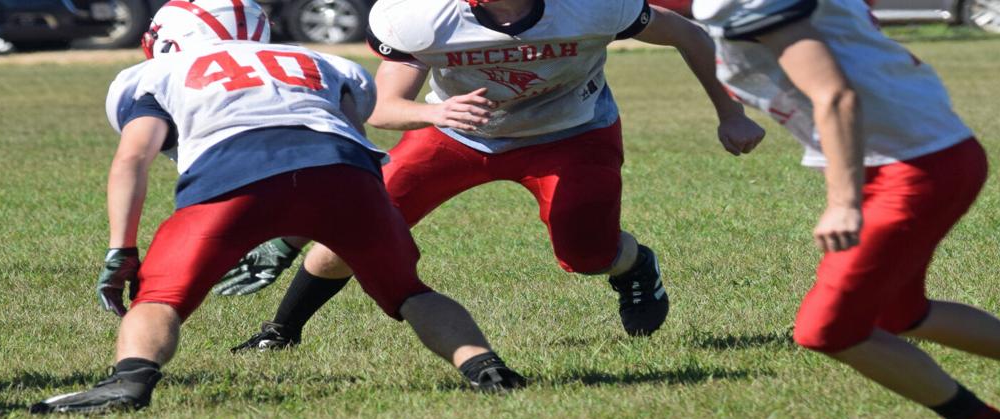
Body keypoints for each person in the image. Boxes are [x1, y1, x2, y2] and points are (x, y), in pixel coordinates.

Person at [32, 0, 526, 415]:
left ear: (167, 38)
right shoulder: (325, 62)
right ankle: (487, 369)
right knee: (408, 291)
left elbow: (132, 158)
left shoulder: (155, 72)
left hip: (233, 177)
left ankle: (129, 382)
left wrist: (122, 248)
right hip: (347, 179)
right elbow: (348, 144)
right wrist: (315, 229)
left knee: (161, 295)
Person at [692, 0, 1000, 419]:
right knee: (898, 314)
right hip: (914, 155)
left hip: (912, 166)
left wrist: (843, 203)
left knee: (826, 329)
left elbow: (836, 95)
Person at [226, 0, 767, 351]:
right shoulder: (421, 16)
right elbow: (385, 106)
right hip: (459, 131)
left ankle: (633, 263)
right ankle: (283, 329)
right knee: (361, 226)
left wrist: (731, 112)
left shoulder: (593, 5)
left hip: (571, 130)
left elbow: (690, 36)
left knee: (586, 253)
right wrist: (434, 114)